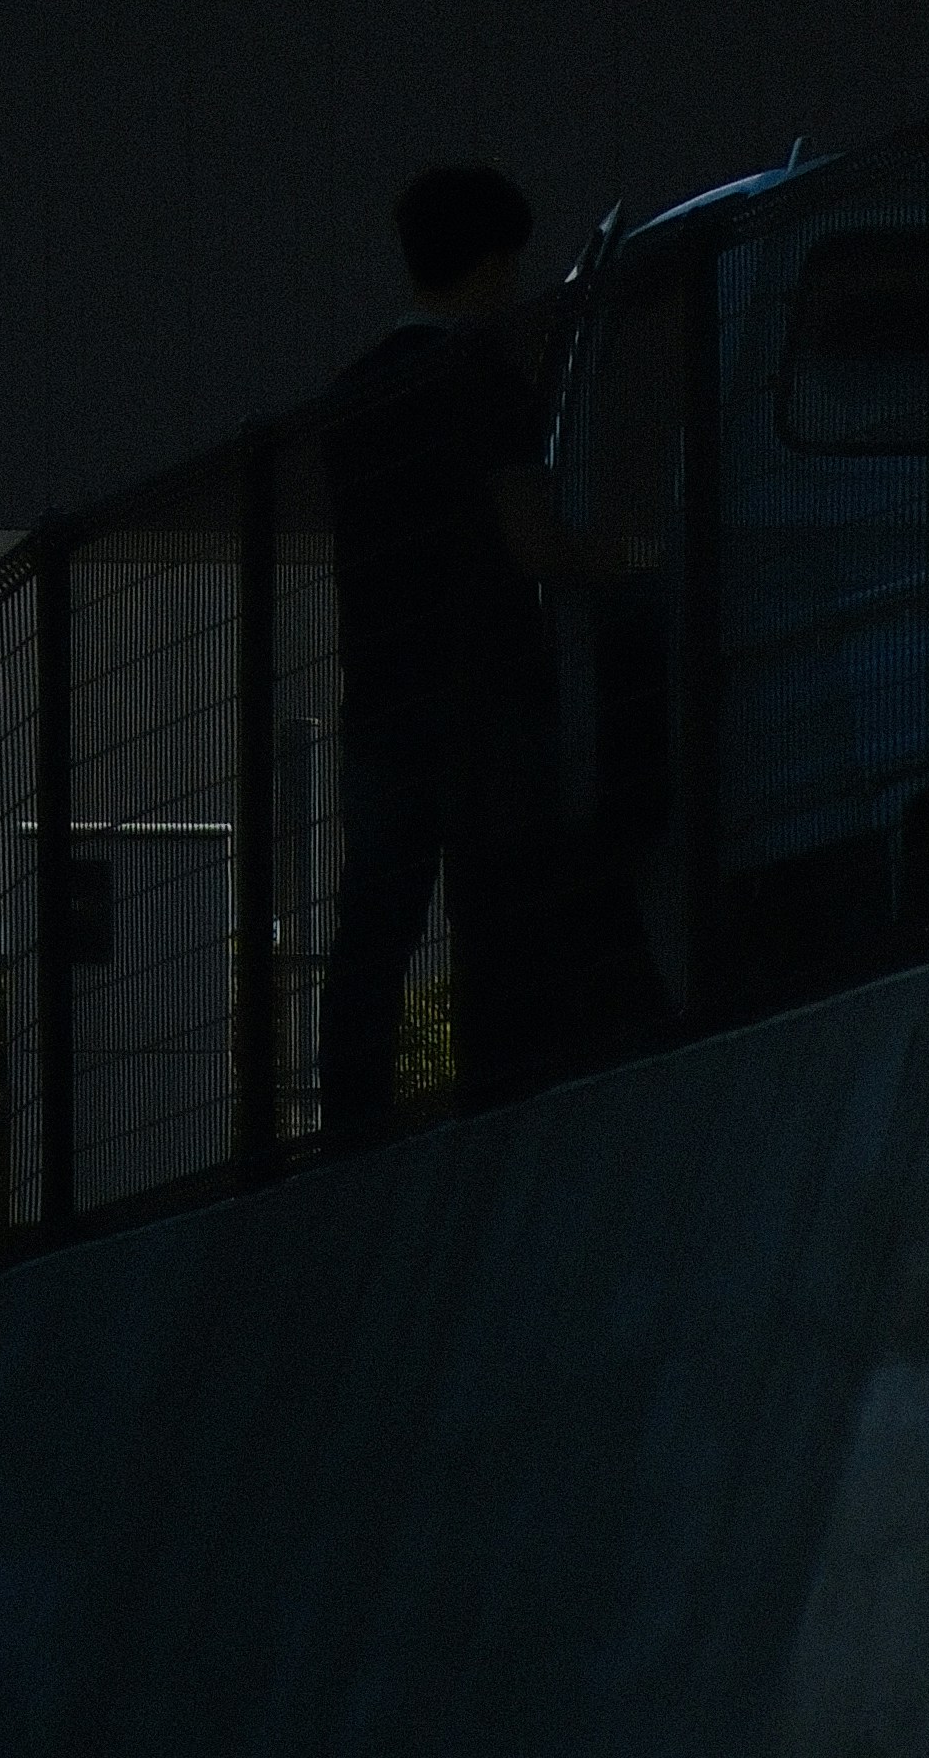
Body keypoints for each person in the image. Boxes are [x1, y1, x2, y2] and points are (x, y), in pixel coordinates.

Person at [318, 159, 585, 1134]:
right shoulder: (484, 379)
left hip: (382, 687)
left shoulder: (354, 395)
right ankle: (494, 1099)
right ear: (490, 261)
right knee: (496, 903)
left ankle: (352, 1117)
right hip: (485, 690)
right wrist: (626, 555)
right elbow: (531, 541)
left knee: (375, 921)